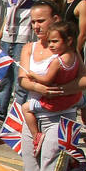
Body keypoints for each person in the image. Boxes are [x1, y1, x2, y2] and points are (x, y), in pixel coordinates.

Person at [0, 0, 48, 123]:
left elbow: (50, 0)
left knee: (20, 80)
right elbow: (8, 14)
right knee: (4, 78)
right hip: (8, 37)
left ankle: (16, 118)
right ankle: (0, 115)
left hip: (23, 38)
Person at [21, 19, 81, 150]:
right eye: (49, 42)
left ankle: (36, 135)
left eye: (55, 41)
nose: (51, 45)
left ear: (69, 41)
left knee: (25, 108)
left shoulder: (57, 61)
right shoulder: (75, 56)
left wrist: (33, 76)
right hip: (71, 99)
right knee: (84, 104)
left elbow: (47, 80)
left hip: (51, 104)